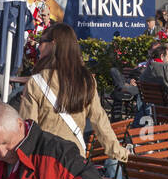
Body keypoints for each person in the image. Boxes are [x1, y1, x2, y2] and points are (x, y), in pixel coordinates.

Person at [20, 23, 131, 165]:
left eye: (41, 42)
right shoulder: (86, 80)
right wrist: (119, 152)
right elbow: (100, 120)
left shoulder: (36, 82)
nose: (38, 47)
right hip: (76, 160)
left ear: (53, 44)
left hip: (44, 160)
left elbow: (28, 129)